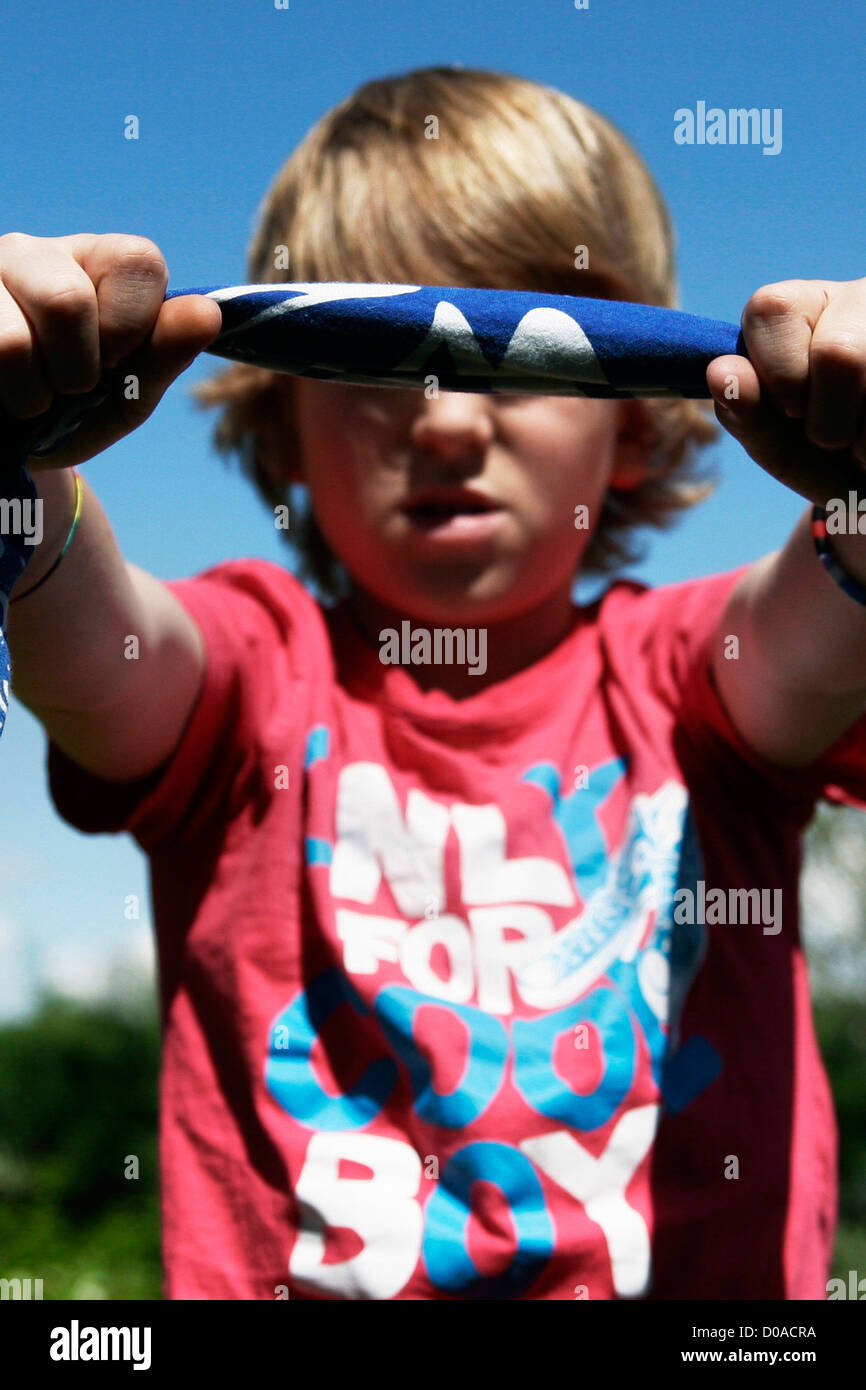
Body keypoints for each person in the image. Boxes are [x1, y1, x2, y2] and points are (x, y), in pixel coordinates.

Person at [4, 64, 866, 1301]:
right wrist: (13, 471)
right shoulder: (251, 677)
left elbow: (813, 624)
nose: (448, 423)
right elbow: (90, 638)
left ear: (632, 418)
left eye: (535, 355)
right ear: (278, 422)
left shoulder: (690, 680)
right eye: (370, 356)